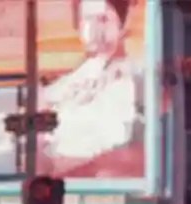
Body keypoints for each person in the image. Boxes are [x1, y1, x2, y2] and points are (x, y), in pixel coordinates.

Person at [37, 0, 144, 178]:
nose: (94, 30)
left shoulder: (138, 79)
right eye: (86, 20)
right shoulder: (66, 85)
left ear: (123, 22)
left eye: (103, 19)